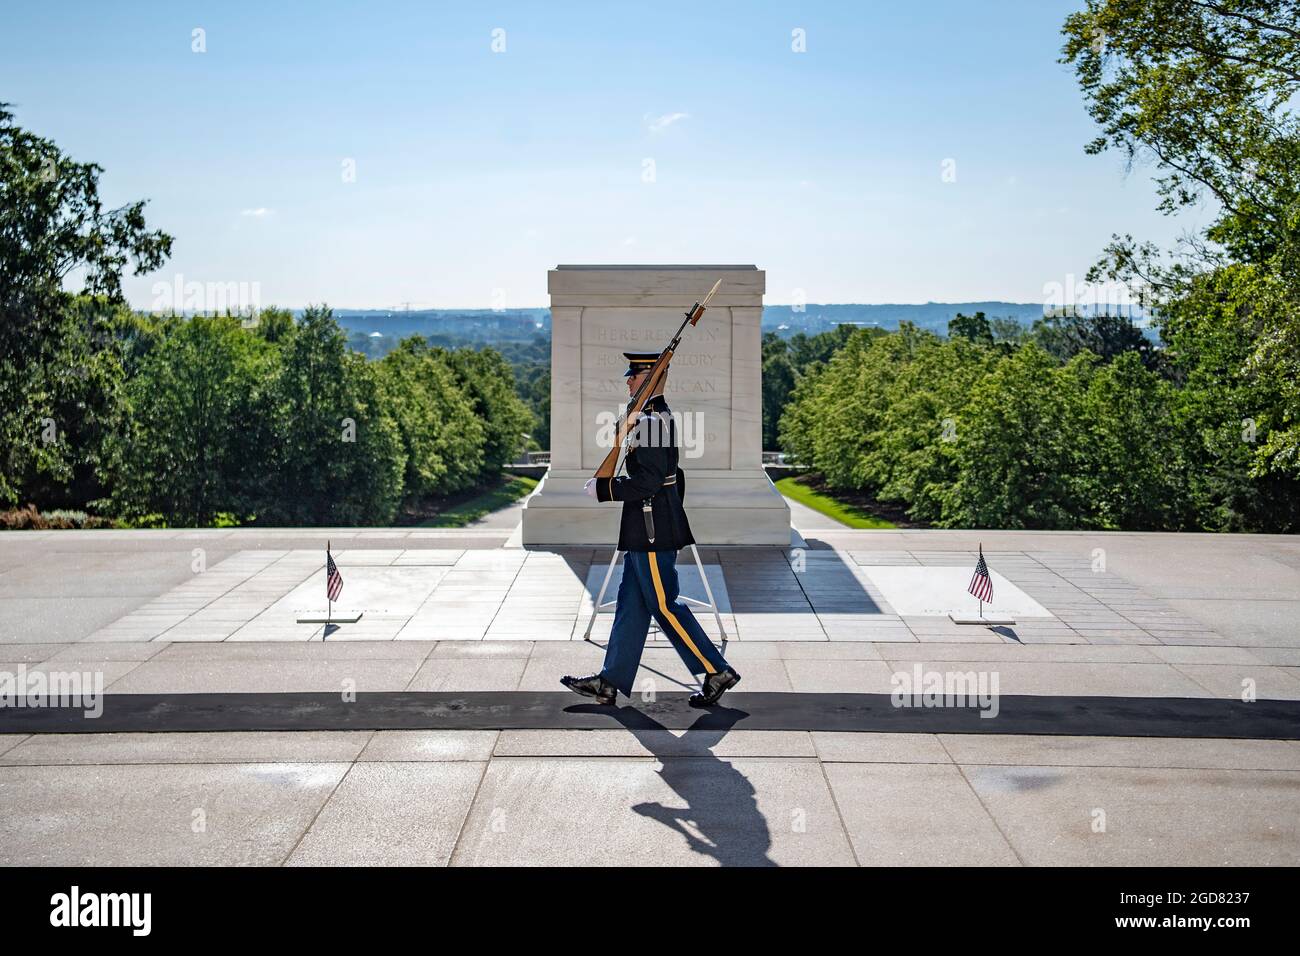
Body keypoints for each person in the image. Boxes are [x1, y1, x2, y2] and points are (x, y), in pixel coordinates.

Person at [561, 352, 741, 708]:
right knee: (631, 603)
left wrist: (605, 488)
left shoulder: (654, 422)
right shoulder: (646, 418)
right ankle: (609, 681)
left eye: (634, 375)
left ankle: (715, 669)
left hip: (652, 529)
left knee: (663, 604)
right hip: (645, 527)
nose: (627, 380)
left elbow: (649, 482)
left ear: (651, 379)